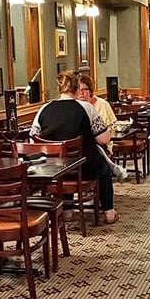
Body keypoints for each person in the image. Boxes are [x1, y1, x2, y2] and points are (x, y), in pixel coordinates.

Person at [30, 71, 118, 224]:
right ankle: (109, 212)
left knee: (65, 164)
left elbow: (33, 141)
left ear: (60, 89)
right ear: (77, 89)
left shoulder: (44, 109)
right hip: (85, 169)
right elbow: (104, 139)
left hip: (54, 171)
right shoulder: (86, 108)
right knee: (104, 169)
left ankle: (67, 212)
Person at [77, 74, 128, 183]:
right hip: (81, 149)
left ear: (90, 90)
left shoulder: (102, 104)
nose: (81, 93)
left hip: (102, 145)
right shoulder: (74, 108)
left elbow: (112, 128)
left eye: (85, 89)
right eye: (78, 89)